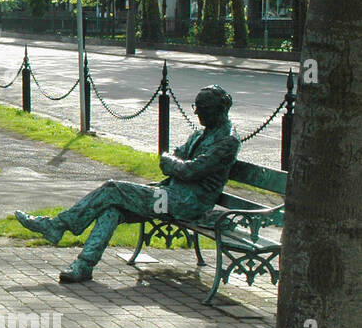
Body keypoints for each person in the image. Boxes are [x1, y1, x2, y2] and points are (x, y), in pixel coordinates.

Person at [14, 85, 240, 283]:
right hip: (169, 196)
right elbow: (171, 157)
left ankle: (56, 225)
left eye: (202, 107)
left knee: (112, 188)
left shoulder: (227, 140)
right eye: (195, 106)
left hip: (187, 205)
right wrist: (175, 164)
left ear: (220, 109)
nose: (197, 112)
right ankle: (83, 265)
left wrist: (174, 164)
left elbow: (189, 170)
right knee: (112, 210)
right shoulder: (201, 134)